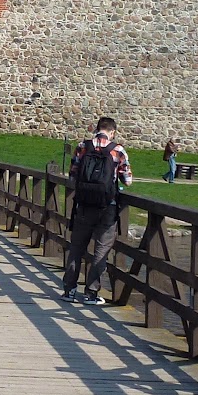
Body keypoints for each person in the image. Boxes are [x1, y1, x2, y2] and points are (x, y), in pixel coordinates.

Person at [63, 116, 132, 306]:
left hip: (84, 206)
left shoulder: (82, 146)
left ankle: (69, 290)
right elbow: (127, 180)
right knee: (101, 250)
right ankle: (91, 293)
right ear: (113, 131)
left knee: (76, 248)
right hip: (106, 207)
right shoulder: (117, 150)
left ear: (96, 129)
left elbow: (73, 175)